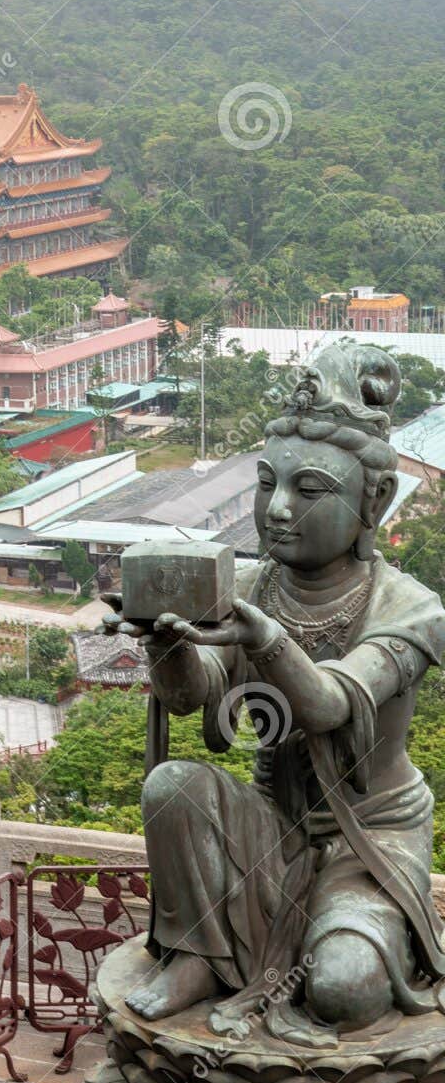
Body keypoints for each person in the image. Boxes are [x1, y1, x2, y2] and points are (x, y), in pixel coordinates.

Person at [105, 343, 445, 1042]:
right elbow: (194, 698)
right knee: (173, 785)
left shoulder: (409, 608)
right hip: (272, 828)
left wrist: (262, 639)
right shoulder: (257, 589)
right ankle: (202, 956)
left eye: (310, 489)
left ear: (373, 500)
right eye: (267, 484)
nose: (278, 509)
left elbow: (327, 703)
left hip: (368, 842)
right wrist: (166, 643)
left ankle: (371, 935)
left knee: (344, 990)